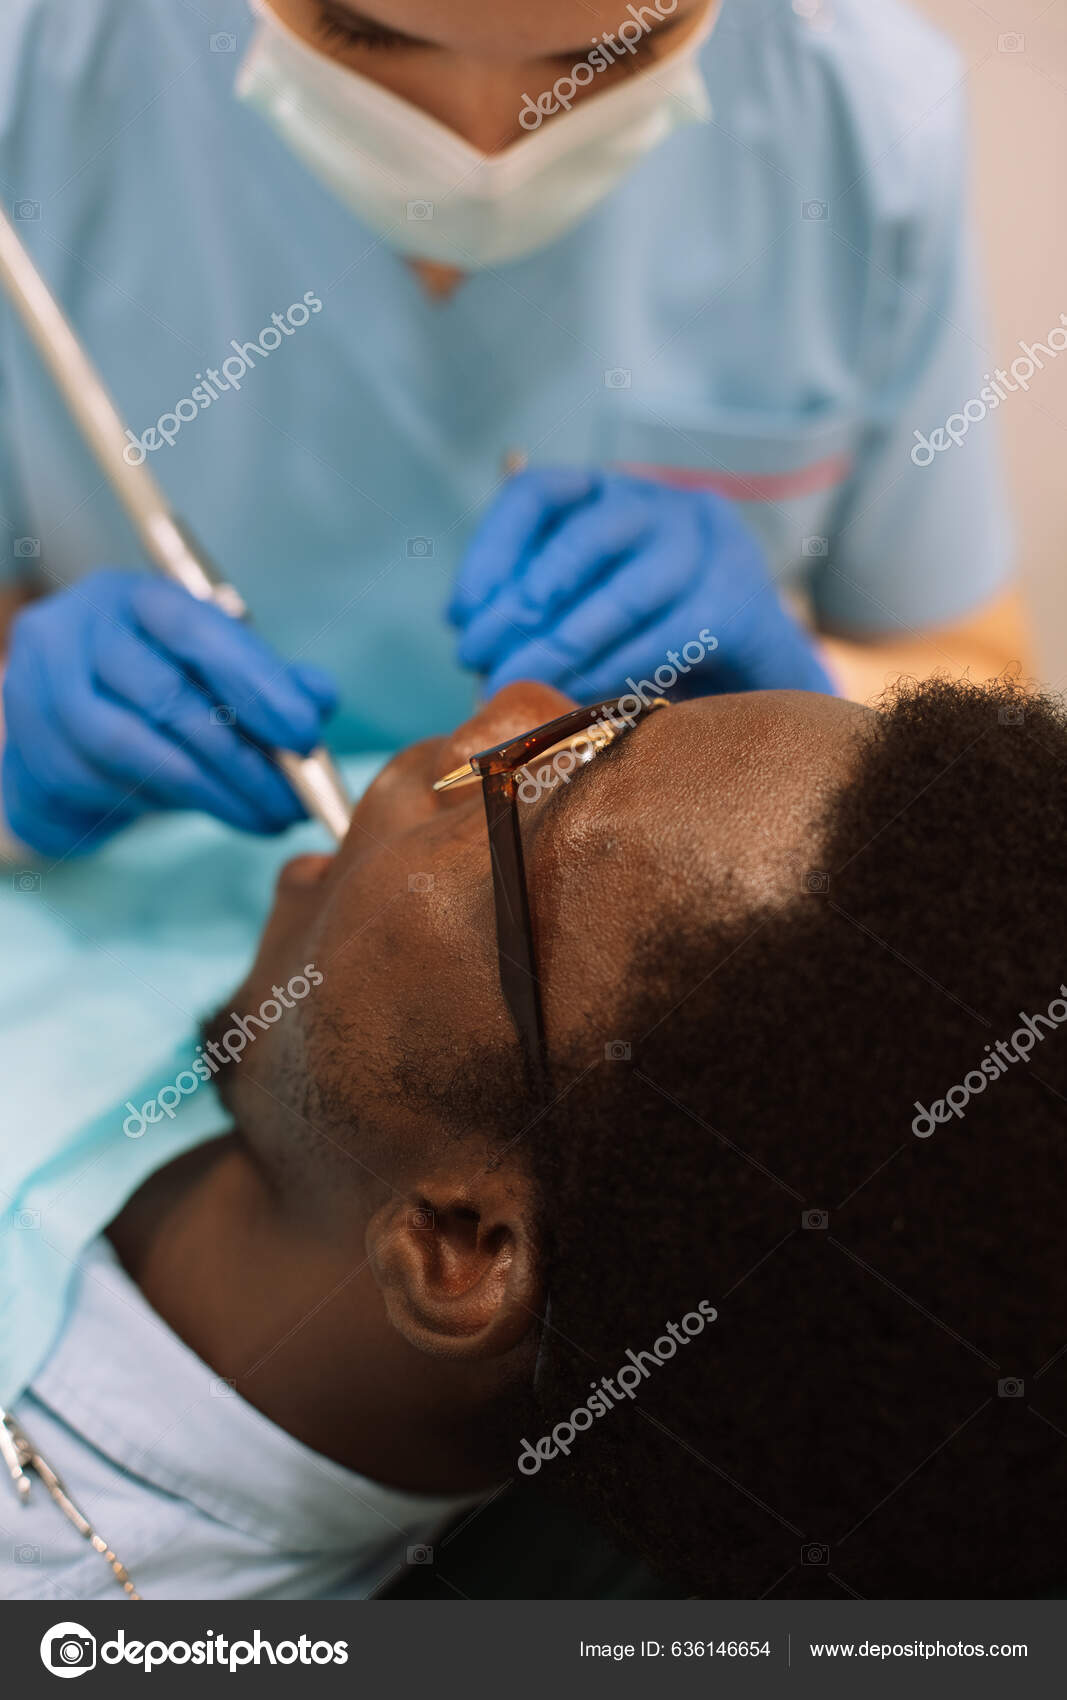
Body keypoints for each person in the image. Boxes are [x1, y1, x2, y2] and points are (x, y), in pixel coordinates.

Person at [3, 673, 1065, 1601]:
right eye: (625, 713)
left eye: (545, 785)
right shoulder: (334, 965)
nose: (508, 703)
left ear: (455, 1242)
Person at [0, 0, 1028, 860]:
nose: (483, 146)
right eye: (368, 40)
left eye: (603, 57)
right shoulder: (37, 74)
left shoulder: (860, 112)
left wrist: (814, 707)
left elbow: (980, 673)